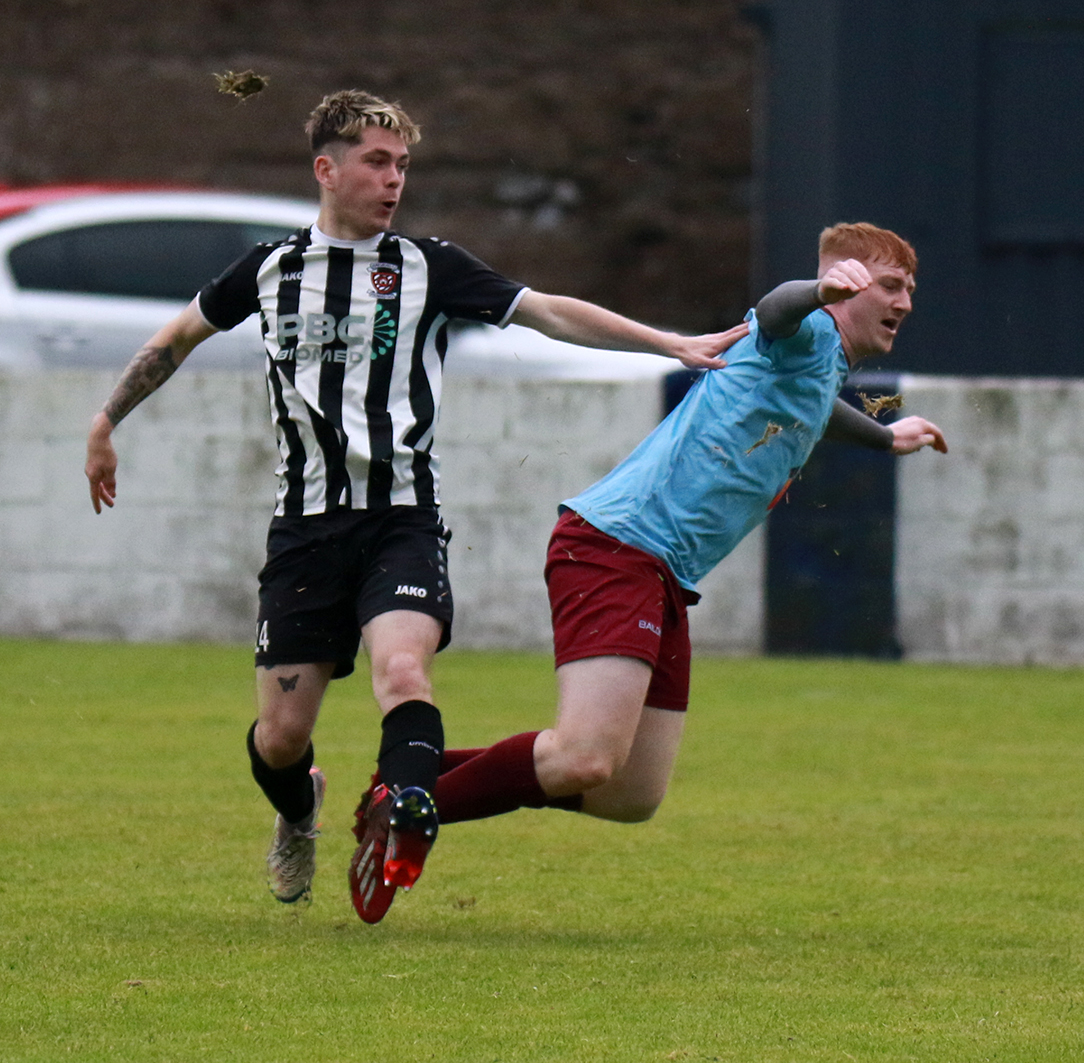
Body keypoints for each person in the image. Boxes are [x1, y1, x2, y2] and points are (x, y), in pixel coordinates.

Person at [83, 90, 747, 924]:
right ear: (327, 169)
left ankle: (405, 808)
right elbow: (173, 340)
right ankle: (300, 808)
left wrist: (667, 342)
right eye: (376, 161)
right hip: (306, 530)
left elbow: (547, 311)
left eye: (402, 165)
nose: (393, 179)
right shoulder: (267, 270)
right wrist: (107, 422)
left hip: (403, 518)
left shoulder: (431, 266)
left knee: (404, 670)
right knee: (281, 739)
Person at [361, 221, 946, 873]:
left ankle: (411, 780)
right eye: (891, 285)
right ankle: (406, 808)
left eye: (911, 290)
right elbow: (779, 307)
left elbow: (817, 409)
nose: (905, 303)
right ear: (845, 288)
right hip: (618, 547)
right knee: (584, 757)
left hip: (661, 572)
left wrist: (885, 438)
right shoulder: (806, 329)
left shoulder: (817, 366)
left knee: (628, 793)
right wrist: (816, 289)